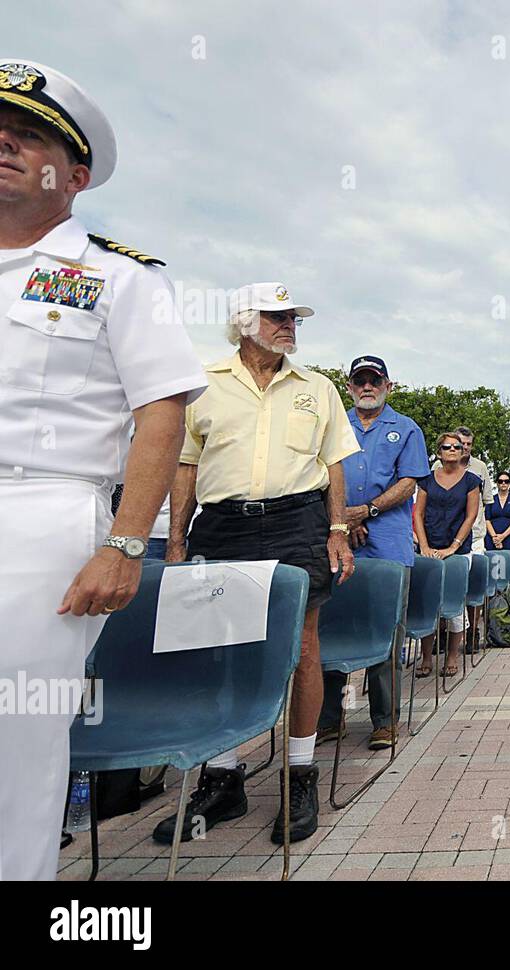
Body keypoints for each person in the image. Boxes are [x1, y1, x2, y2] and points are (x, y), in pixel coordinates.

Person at [0, 59, 208, 880]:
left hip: (40, 513)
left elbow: (163, 409)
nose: (5, 146)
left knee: (17, 733)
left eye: (28, 137)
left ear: (74, 174)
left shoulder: (118, 277)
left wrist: (126, 544)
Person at [162, 282, 359, 846]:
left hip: (299, 522)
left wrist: (338, 530)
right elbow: (185, 467)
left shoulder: (317, 388)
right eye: (277, 317)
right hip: (222, 524)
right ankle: (223, 777)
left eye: (293, 318)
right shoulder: (204, 384)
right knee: (217, 647)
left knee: (302, 646)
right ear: (244, 322)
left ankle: (300, 775)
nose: (289, 325)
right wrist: (176, 545)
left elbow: (334, 465)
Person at [318, 356, 428, 751]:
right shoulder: (333, 425)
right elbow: (321, 476)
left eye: (374, 380)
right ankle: (329, 719)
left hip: (388, 540)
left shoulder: (406, 428)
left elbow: (409, 481)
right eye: (359, 380)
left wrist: (367, 510)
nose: (367, 386)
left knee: (387, 628)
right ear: (349, 386)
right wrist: (343, 521)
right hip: (337, 536)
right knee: (329, 622)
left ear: (388, 385)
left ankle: (385, 721)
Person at [413, 432, 481, 676]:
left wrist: (453, 546)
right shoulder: (426, 480)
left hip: (458, 550)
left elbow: (470, 516)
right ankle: (426, 656)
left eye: (457, 446)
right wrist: (423, 545)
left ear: (463, 451)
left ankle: (452, 655)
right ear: (439, 452)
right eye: (447, 446)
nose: (452, 449)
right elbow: (418, 514)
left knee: (453, 602)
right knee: (427, 601)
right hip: (429, 547)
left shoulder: (471, 481)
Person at [486, 470, 510, 551]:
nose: (503, 483)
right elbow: (487, 520)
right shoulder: (490, 499)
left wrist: (502, 536)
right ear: (497, 483)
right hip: (492, 539)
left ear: (509, 483)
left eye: (506, 481)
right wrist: (495, 538)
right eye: (500, 481)